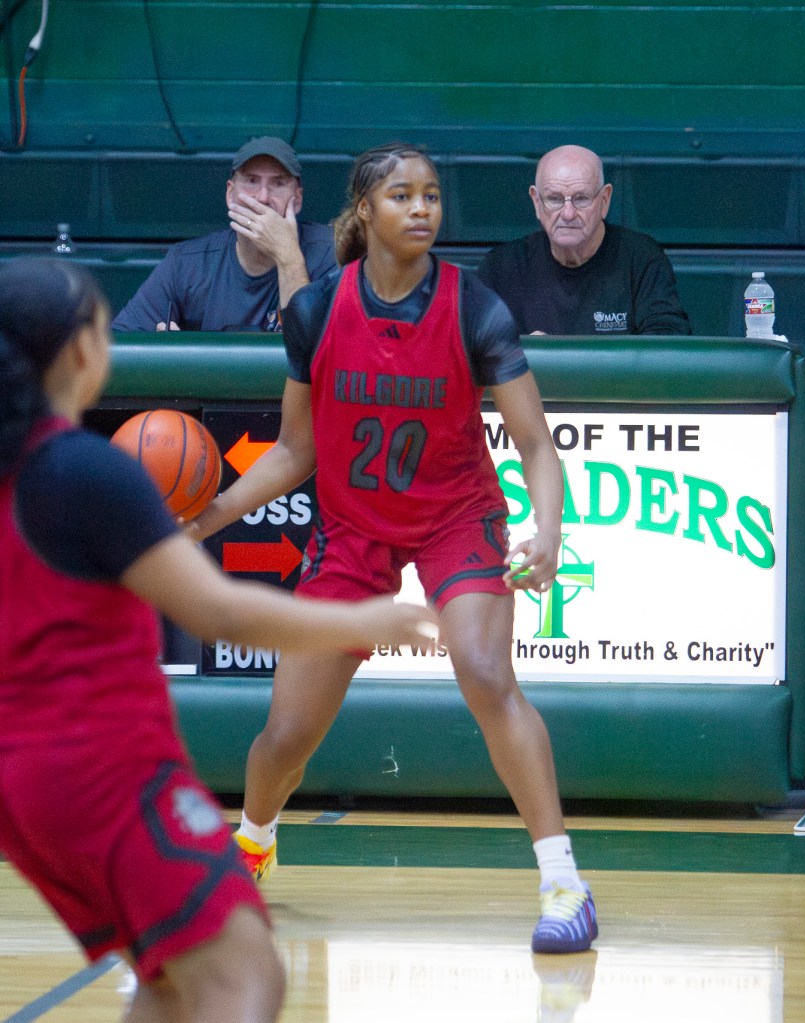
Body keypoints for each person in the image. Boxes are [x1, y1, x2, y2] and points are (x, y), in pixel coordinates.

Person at [188, 142, 599, 955]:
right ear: (365, 212)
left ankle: (564, 881)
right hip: (352, 530)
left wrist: (548, 528)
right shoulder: (314, 312)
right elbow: (295, 450)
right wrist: (207, 515)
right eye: (403, 196)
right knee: (284, 740)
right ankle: (255, 839)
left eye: (433, 196)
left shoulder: (476, 307)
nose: (422, 209)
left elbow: (536, 444)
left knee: (486, 673)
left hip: (457, 517)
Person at [0, 257, 436, 1022]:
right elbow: (220, 613)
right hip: (101, 769)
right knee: (246, 975)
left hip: (25, 786)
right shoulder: (84, 471)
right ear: (79, 351)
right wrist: (361, 620)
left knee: (174, 983)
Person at [112, 136, 337, 333]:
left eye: (278, 183)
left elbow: (318, 355)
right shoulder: (187, 263)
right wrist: (172, 351)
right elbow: (121, 345)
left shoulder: (331, 253)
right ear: (230, 194)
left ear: (297, 199)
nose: (263, 197)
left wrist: (288, 257)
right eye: (251, 181)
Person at [477, 144, 691, 336]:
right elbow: (472, 353)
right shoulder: (501, 267)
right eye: (554, 199)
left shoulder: (641, 258)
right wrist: (523, 355)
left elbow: (670, 346)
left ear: (604, 200)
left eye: (581, 199)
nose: (568, 213)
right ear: (536, 202)